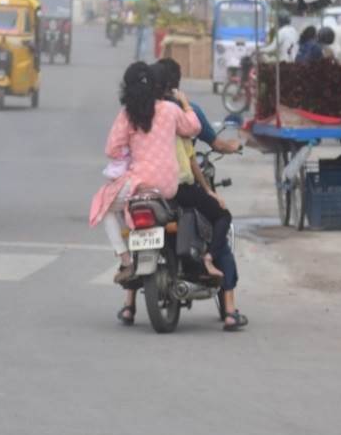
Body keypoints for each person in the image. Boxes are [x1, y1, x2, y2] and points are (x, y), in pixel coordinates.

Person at [90, 63, 200, 324]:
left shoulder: (128, 115)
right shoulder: (171, 110)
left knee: (103, 206)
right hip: (167, 186)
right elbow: (193, 128)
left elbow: (112, 149)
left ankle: (126, 259)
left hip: (138, 185)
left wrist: (130, 150)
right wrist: (186, 105)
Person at [153, 61, 247, 330]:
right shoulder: (183, 114)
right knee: (221, 219)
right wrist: (207, 190)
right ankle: (229, 309)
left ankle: (128, 304)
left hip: (146, 187)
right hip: (179, 187)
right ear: (176, 83)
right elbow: (195, 157)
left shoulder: (141, 111)